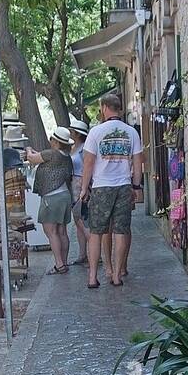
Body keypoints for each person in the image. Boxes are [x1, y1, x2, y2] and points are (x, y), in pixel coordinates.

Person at [79, 93, 143, 289]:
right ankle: (116, 275)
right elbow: (138, 162)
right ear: (119, 109)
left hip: (101, 187)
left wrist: (84, 188)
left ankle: (92, 277)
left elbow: (88, 163)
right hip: (123, 186)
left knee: (97, 232)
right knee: (121, 231)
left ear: (105, 108)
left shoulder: (96, 132)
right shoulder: (131, 132)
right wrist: (136, 186)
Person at [26, 125, 74, 274]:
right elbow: (40, 155)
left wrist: (28, 149)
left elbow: (32, 158)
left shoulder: (52, 154)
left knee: (51, 232)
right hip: (65, 195)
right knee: (62, 231)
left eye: (52, 138)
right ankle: (63, 262)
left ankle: (59, 264)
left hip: (51, 198)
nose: (50, 140)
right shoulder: (65, 156)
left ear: (56, 142)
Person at [67, 118, 90, 264]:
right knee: (78, 220)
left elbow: (87, 168)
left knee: (81, 219)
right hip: (74, 183)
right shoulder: (74, 148)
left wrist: (85, 187)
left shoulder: (83, 149)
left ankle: (94, 250)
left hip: (80, 183)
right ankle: (82, 254)